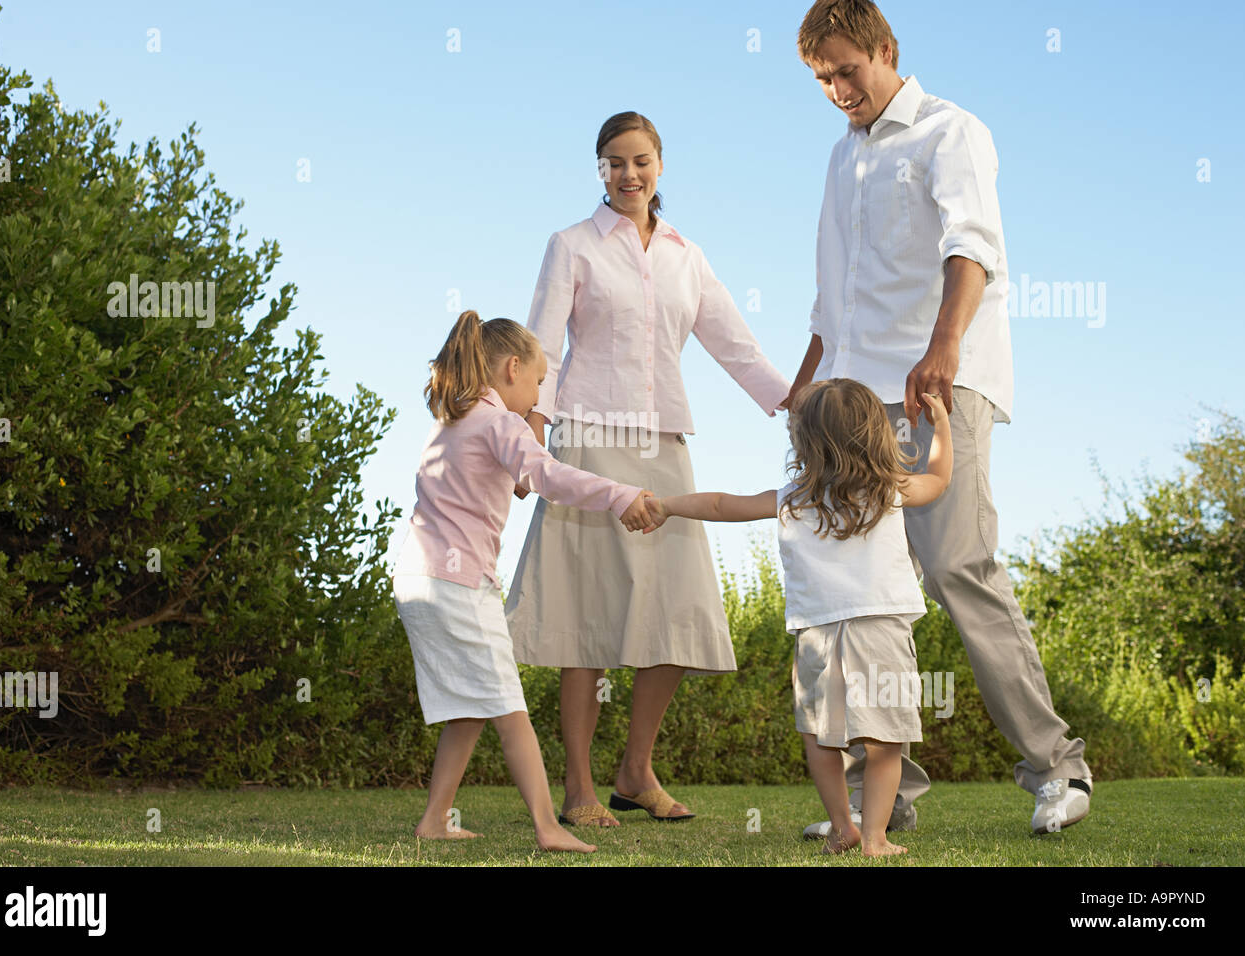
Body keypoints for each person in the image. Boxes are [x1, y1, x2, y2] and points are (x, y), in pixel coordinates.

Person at [787, 0, 1092, 834]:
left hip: (935, 380)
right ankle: (891, 795)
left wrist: (944, 347)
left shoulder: (950, 131)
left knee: (957, 567)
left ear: (886, 50)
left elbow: (974, 246)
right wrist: (806, 384)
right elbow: (833, 294)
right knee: (864, 595)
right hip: (851, 400)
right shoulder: (839, 158)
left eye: (848, 70)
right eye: (823, 79)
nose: (838, 89)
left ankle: (1057, 769)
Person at [504, 111, 792, 827]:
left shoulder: (687, 256)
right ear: (599, 169)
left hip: (665, 446)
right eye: (613, 162)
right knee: (586, 615)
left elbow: (737, 348)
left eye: (640, 161)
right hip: (590, 442)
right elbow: (538, 346)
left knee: (677, 612)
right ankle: (577, 787)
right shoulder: (570, 246)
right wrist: (527, 443)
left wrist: (803, 406)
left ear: (661, 165)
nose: (627, 174)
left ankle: (636, 770)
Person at [643, 380, 952, 855]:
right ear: (875, 434)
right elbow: (939, 479)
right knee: (886, 742)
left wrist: (665, 505)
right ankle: (874, 838)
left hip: (817, 636)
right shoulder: (891, 489)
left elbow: (721, 504)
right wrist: (943, 428)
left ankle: (842, 827)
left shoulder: (793, 499)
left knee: (820, 737)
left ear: (805, 441)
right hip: (881, 630)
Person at [392, 310, 655, 853]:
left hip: (419, 579)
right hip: (460, 585)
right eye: (537, 383)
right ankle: (548, 827)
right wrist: (620, 493)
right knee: (510, 709)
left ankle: (435, 819)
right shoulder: (498, 422)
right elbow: (547, 478)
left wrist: (528, 429)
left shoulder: (454, 419)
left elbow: (517, 483)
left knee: (469, 706)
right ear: (513, 369)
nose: (538, 398)